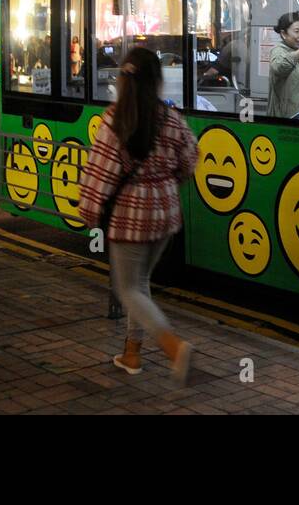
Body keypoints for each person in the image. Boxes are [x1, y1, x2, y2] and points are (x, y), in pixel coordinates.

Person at [78, 47, 198, 381]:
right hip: (166, 215)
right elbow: (190, 158)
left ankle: (174, 346)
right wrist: (167, 183)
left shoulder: (115, 120)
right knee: (140, 284)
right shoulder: (171, 118)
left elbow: (100, 173)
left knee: (128, 289)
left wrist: (88, 211)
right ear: (157, 81)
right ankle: (131, 354)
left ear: (123, 80)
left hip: (131, 217)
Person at [268, 11, 299, 118]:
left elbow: (293, 77)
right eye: (296, 31)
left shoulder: (296, 51)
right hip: (286, 118)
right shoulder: (278, 51)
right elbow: (280, 67)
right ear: (283, 34)